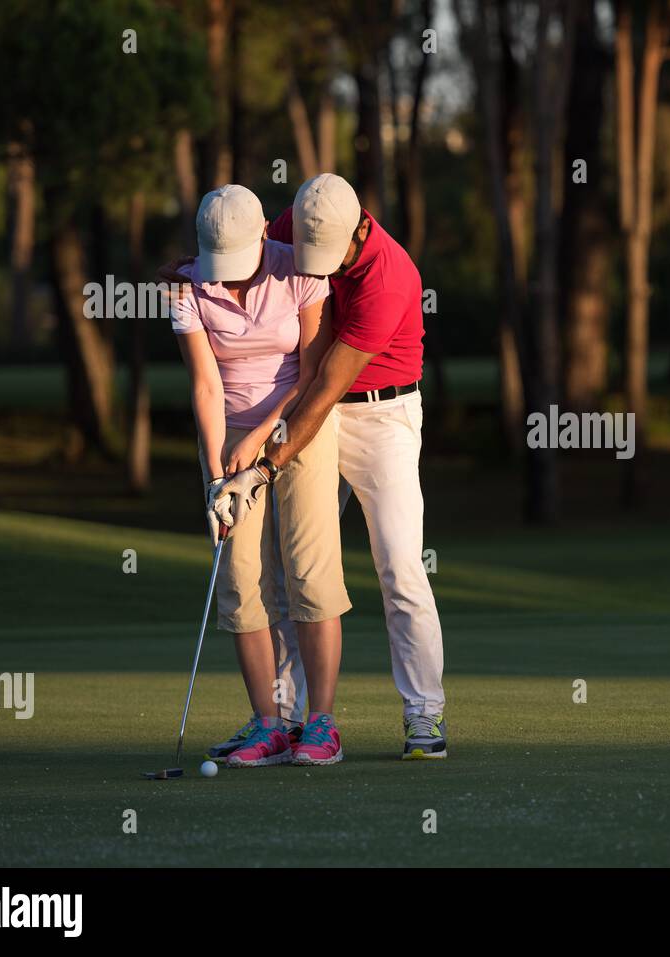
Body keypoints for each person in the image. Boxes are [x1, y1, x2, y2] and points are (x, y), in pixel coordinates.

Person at [212, 174, 449, 760]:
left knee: (399, 568)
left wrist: (262, 469)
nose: (317, 271)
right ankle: (286, 719)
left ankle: (424, 716)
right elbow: (252, 256)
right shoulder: (299, 222)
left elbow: (326, 387)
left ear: (359, 227)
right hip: (303, 413)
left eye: (330, 259)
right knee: (298, 569)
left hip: (380, 417)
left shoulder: (391, 277)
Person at [172, 183, 351, 767]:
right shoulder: (188, 287)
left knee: (308, 567)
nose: (229, 279)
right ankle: (269, 724)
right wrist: (218, 462)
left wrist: (260, 438)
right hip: (227, 440)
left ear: (261, 242)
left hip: (298, 430)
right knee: (240, 577)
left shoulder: (297, 271)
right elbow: (204, 384)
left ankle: (321, 724)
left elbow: (312, 371)